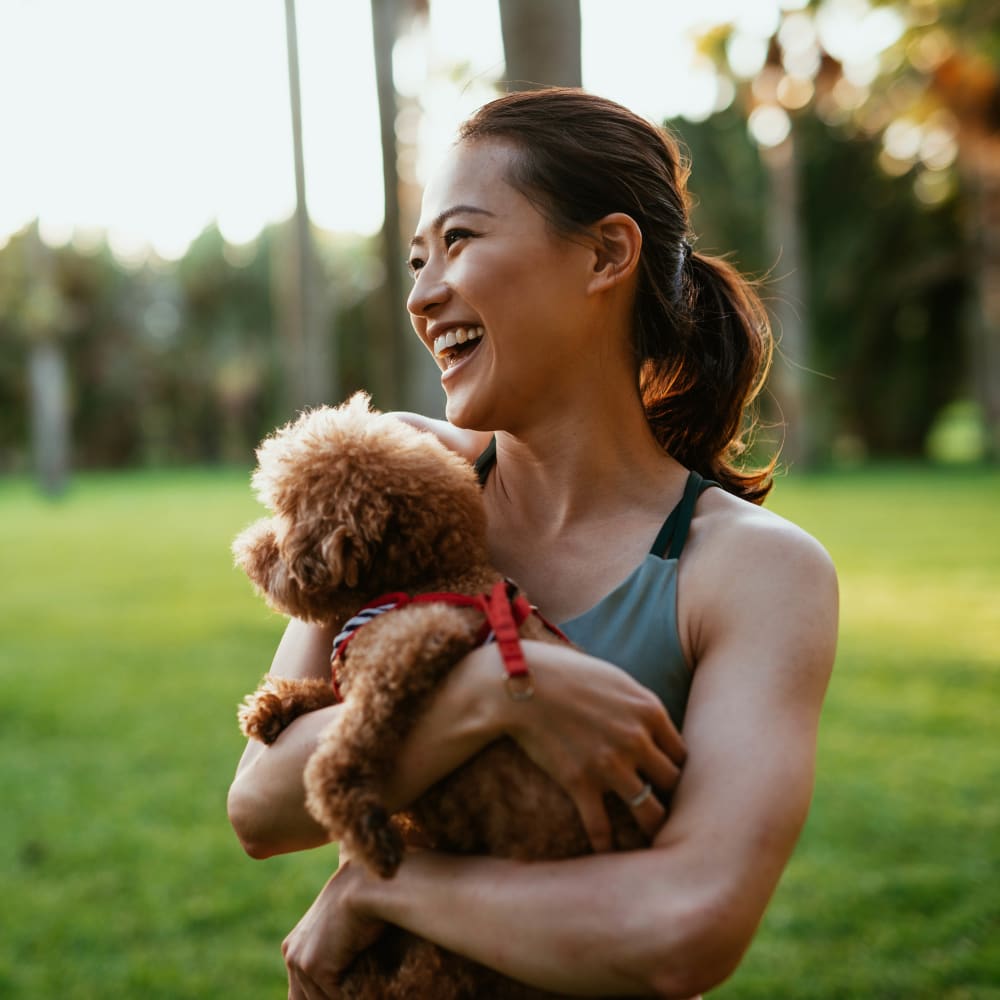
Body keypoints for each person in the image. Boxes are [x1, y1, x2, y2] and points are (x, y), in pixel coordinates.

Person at [227, 87, 838, 999]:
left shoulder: (755, 572)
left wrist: (384, 886)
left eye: (461, 241)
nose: (421, 294)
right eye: (416, 257)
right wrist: (498, 688)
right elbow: (262, 805)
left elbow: (687, 928)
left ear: (606, 253)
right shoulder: (398, 480)